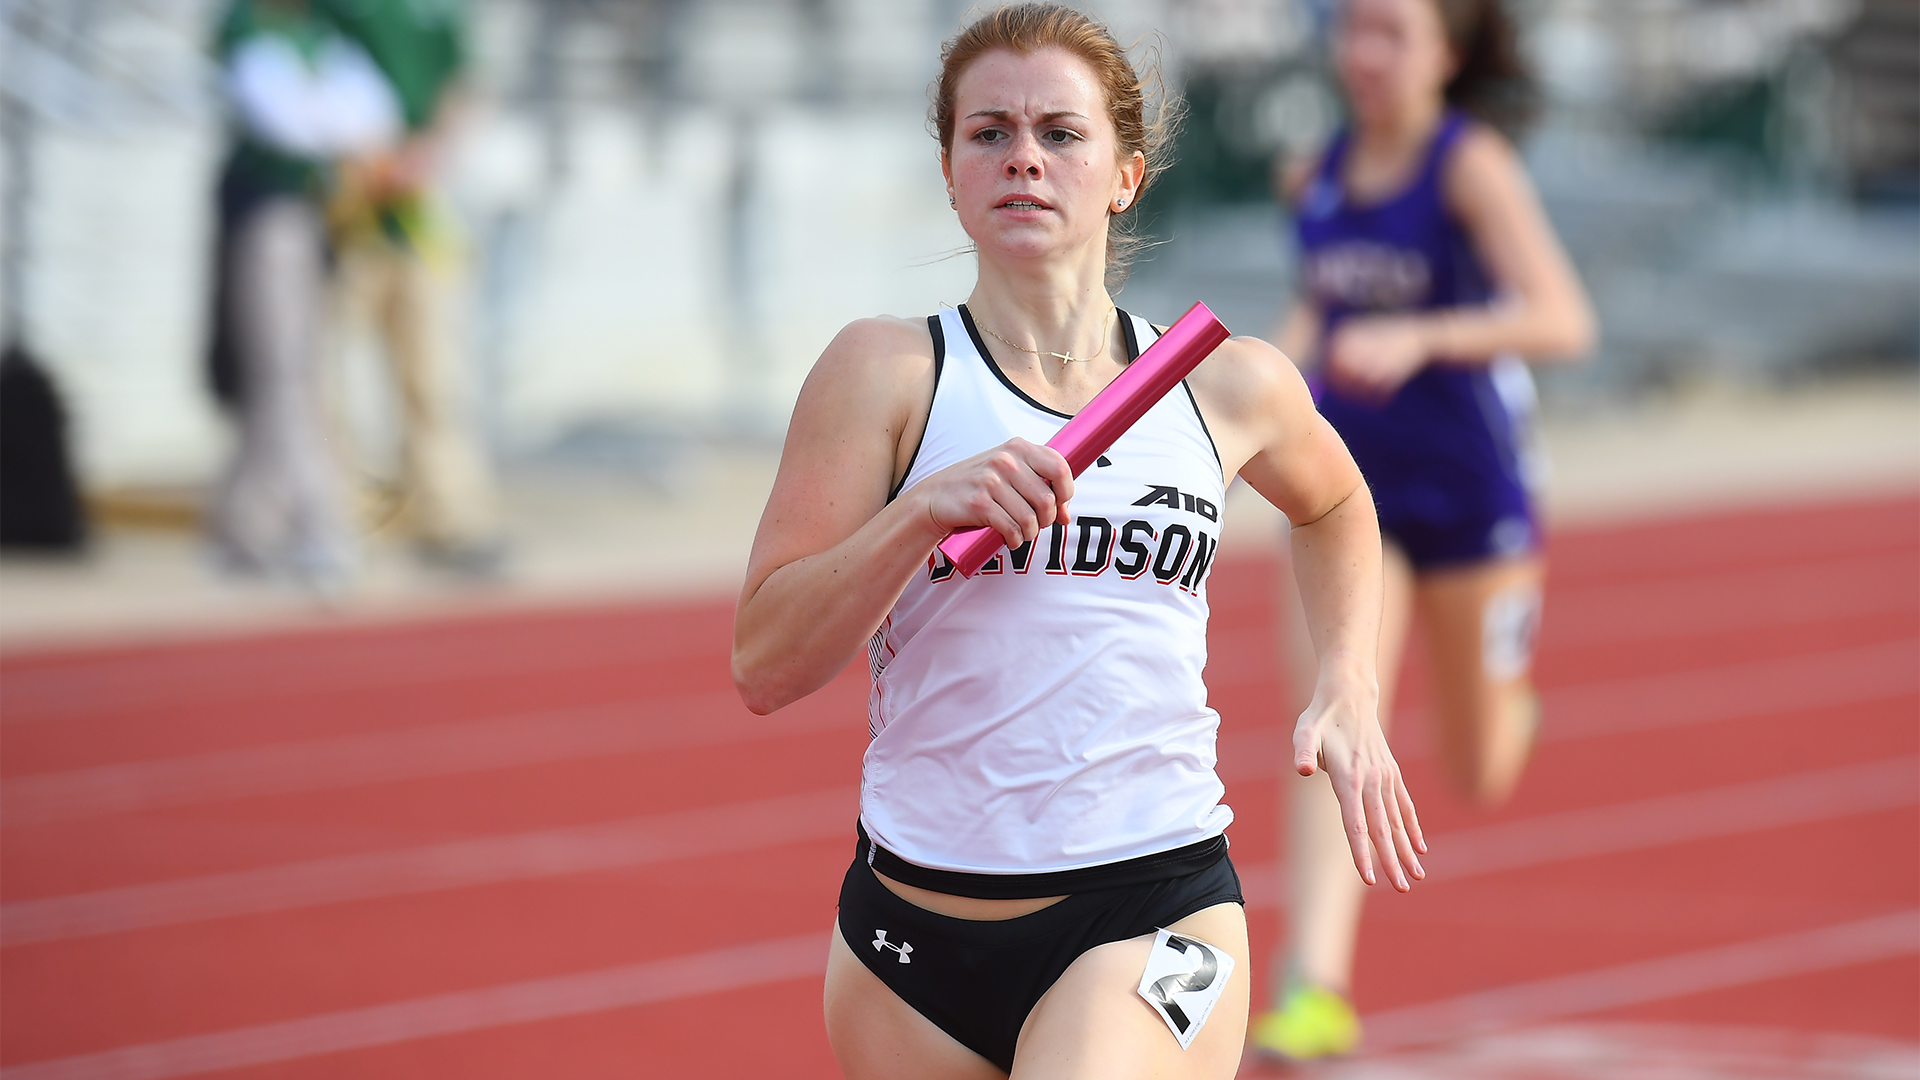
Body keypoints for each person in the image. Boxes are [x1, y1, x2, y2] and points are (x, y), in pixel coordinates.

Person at [732, 6, 1425, 1078]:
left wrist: (1349, 680)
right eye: (989, 133)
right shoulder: (885, 375)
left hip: (1151, 907)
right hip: (907, 939)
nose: (1023, 159)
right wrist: (919, 515)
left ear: (1125, 176)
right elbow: (766, 666)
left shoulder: (1221, 382)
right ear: (953, 173)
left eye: (1061, 134)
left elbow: (1335, 504)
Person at [1249, 0, 1595, 1062]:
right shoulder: (1312, 176)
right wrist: (1255, 397)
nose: (1364, 52)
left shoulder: (1468, 165)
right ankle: (1316, 988)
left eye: (1392, 31)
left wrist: (1425, 336)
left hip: (1470, 493)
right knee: (1335, 711)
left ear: (1445, 54)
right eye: (1353, 28)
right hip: (1349, 491)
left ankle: (1507, 702)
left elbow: (1563, 320)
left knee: (1480, 764)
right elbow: (1315, 310)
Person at [206, 0, 401, 592]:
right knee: (283, 371)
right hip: (266, 215)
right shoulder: (247, 26)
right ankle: (319, 528)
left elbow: (375, 113)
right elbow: (284, 121)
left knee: (290, 369)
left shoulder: (323, 29)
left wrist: (330, 119)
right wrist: (331, 120)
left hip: (318, 217)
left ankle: (244, 528)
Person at [317, 0, 504, 576]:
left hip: (416, 208)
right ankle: (340, 519)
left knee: (433, 373)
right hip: (342, 204)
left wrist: (426, 157)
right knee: (327, 375)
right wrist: (360, 161)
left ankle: (449, 516)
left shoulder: (437, 11)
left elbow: (460, 87)